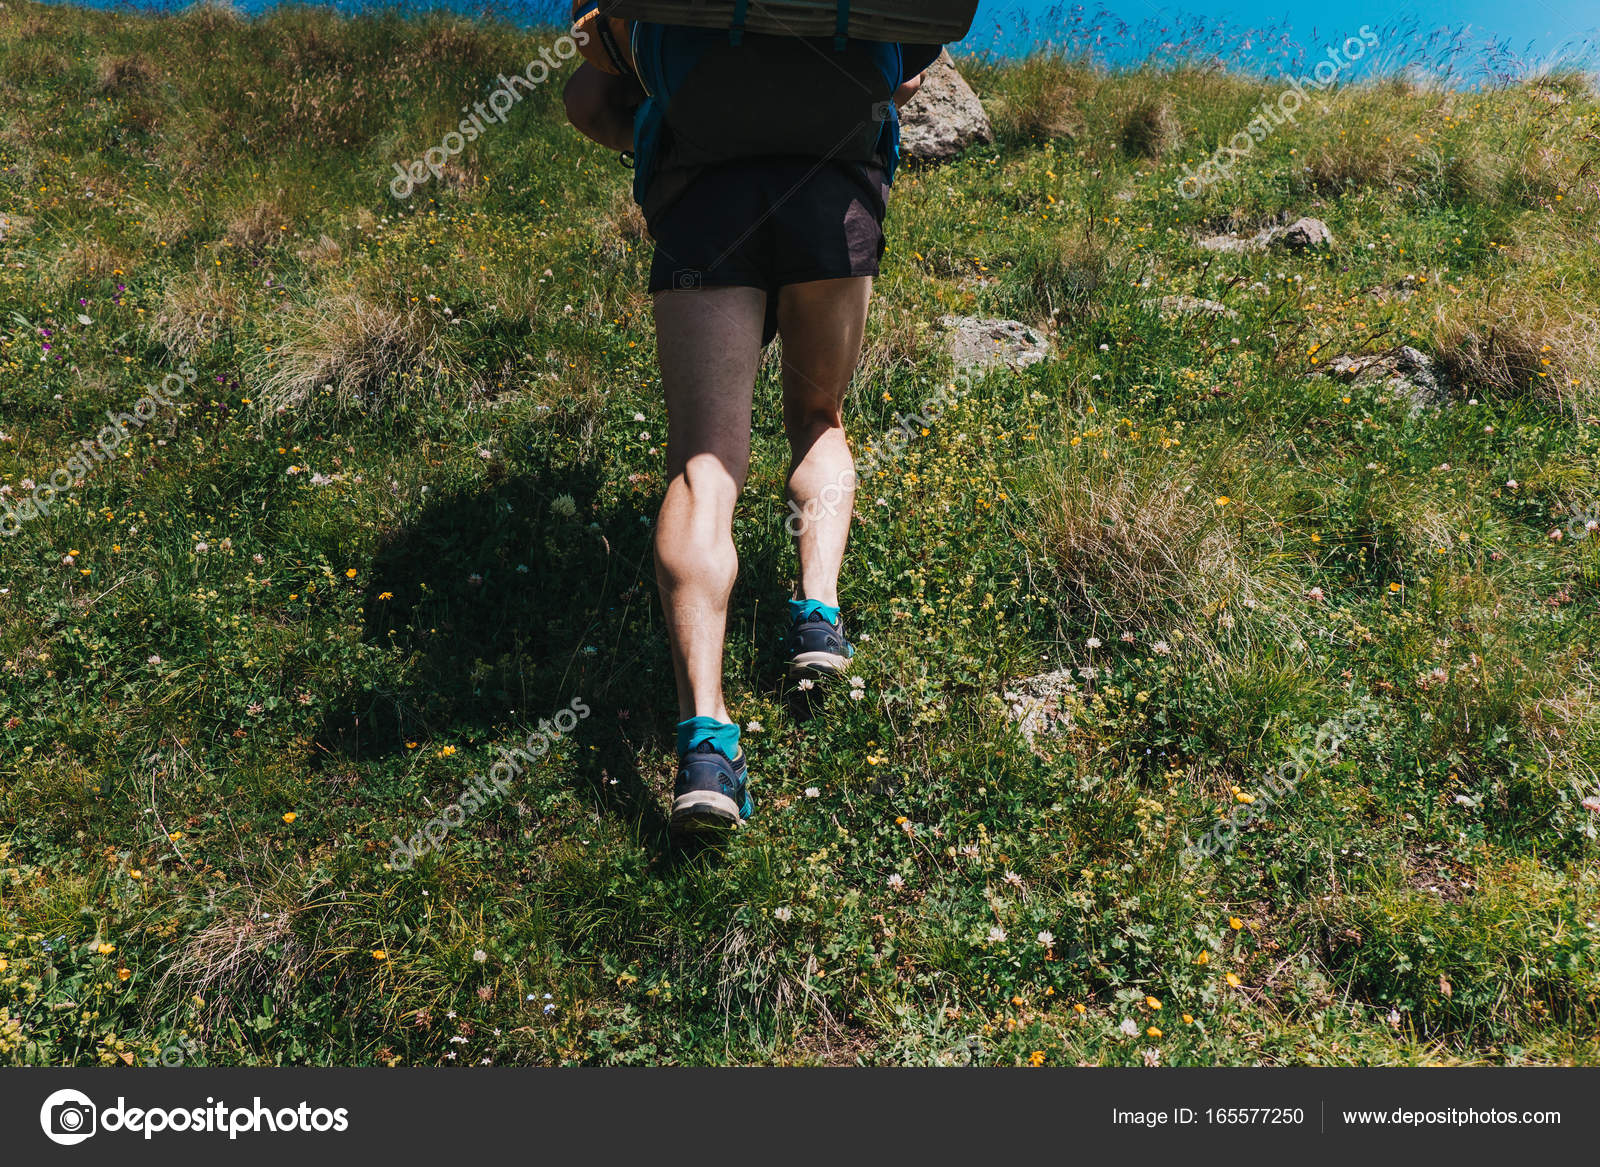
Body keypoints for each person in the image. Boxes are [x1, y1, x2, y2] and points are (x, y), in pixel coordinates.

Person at [564, 6, 940, 833]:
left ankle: (705, 741)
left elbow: (590, 107)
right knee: (818, 417)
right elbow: (904, 74)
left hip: (706, 203)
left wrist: (659, 101)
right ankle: (817, 615)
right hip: (831, 196)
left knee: (705, 463)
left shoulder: (647, 9)